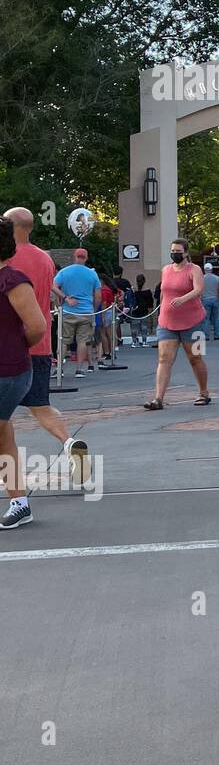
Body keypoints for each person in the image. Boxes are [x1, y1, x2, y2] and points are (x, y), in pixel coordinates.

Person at [0, 207, 90, 490]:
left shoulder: (9, 262)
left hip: (10, 345)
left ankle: (15, 488)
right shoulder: (44, 258)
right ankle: (69, 441)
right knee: (40, 406)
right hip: (40, 344)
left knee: (4, 423)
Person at [0, 217, 48, 530]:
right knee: (3, 433)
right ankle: (19, 503)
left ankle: (19, 502)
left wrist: (14, 348)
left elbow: (37, 328)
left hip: (9, 371)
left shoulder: (13, 281)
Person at [144, 239, 211, 410]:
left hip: (194, 322)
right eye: (172, 250)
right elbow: (163, 293)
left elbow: (198, 289)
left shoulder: (194, 269)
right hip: (167, 323)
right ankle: (158, 398)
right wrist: (160, 312)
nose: (175, 253)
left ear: (186, 253)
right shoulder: (166, 270)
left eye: (178, 251)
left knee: (196, 358)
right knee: (164, 359)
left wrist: (183, 299)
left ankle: (204, 392)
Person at [52, 246, 100, 378]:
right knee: (82, 341)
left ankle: (60, 368)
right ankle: (79, 369)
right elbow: (98, 296)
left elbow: (53, 286)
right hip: (86, 312)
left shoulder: (64, 272)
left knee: (63, 340)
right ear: (86, 258)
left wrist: (65, 298)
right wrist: (93, 310)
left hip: (68, 311)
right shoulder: (92, 274)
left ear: (74, 256)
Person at [201, 262, 219, 341]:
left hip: (204, 299)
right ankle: (217, 335)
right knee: (216, 318)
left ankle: (206, 336)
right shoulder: (217, 278)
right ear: (212, 269)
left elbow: (199, 290)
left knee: (206, 318)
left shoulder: (201, 278)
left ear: (204, 270)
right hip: (215, 299)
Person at [128, 272, 155, 346]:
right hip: (144, 310)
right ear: (144, 281)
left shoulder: (133, 291)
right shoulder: (147, 291)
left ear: (136, 281)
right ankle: (144, 341)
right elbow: (150, 303)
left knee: (134, 327)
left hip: (135, 310)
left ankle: (134, 342)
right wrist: (150, 313)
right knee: (144, 327)